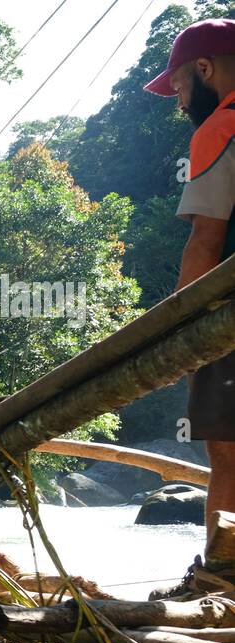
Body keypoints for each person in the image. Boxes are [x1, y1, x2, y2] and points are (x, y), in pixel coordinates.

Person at [144, 18, 235, 598]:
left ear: (204, 71)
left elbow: (206, 238)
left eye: (178, 86)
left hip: (229, 321)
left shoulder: (220, 126)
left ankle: (220, 577)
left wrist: (179, 332)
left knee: (226, 450)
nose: (177, 100)